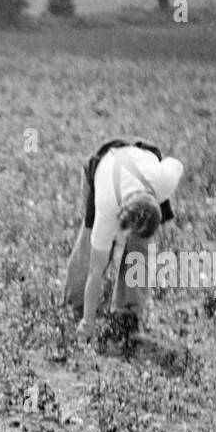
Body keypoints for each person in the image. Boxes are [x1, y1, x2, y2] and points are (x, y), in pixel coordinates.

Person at [63, 139, 183, 342]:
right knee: (89, 247)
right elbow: (95, 271)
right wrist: (88, 322)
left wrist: (166, 214)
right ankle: (75, 308)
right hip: (100, 170)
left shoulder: (165, 181)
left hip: (144, 165)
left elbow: (176, 164)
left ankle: (127, 316)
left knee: (139, 250)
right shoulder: (106, 209)